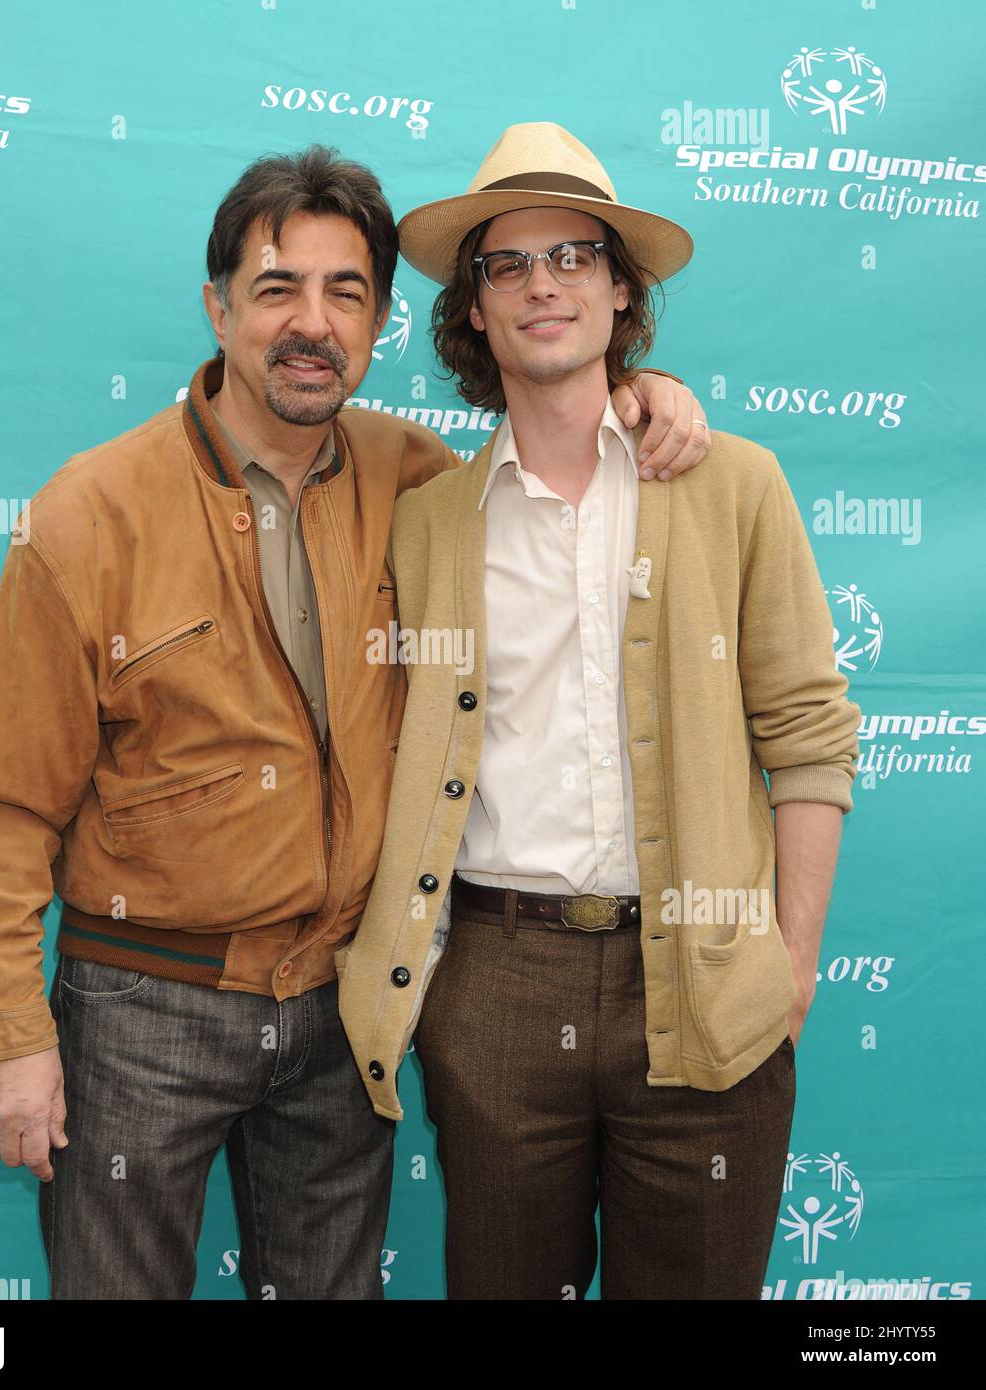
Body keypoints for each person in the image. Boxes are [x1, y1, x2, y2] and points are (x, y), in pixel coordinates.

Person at [0, 142, 711, 1300]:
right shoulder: (91, 511)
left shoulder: (416, 481)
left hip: (347, 1008)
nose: (312, 322)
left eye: (347, 293)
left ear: (383, 319)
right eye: (278, 285)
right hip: (143, 1006)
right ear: (218, 305)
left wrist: (641, 399)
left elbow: (556, 439)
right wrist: (5, 1034)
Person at [336, 122, 862, 1300]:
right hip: (494, 985)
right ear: (470, 308)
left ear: (621, 288)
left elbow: (810, 735)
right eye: (505, 264)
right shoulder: (425, 519)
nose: (542, 284)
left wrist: (789, 967)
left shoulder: (733, 485)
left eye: (573, 255)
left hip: (708, 976)